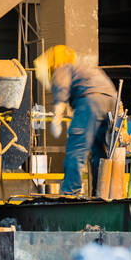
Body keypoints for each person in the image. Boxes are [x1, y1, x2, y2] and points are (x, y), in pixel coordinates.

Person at [34, 45, 119, 196]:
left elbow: (61, 89)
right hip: (112, 101)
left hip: (90, 102)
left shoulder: (63, 66)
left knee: (76, 148)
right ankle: (101, 193)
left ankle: (70, 192)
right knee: (100, 152)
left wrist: (56, 118)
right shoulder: (87, 68)